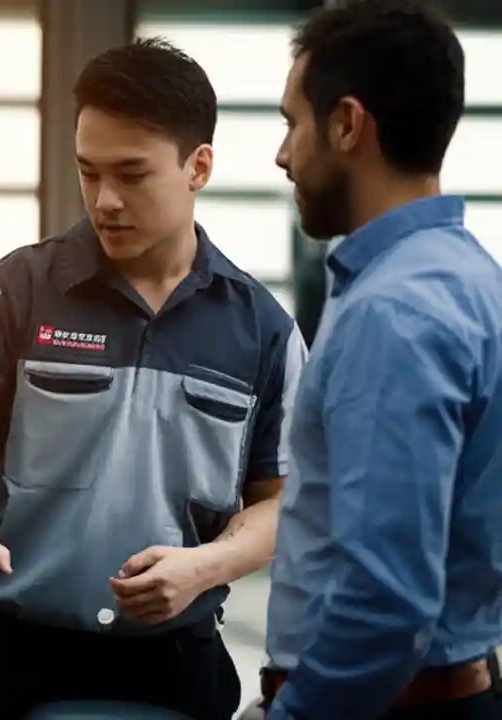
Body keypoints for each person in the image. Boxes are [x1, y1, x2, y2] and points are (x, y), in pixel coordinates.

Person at [0, 37, 308, 720]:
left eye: (131, 174)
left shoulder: (263, 330)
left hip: (179, 671)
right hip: (17, 667)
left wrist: (206, 567)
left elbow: (284, 503)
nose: (105, 200)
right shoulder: (16, 291)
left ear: (198, 166)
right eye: (89, 172)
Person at [258, 1, 502, 719]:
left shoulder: (395, 312)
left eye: (291, 124)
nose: (282, 155)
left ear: (347, 125)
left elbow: (387, 598)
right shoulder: (470, 276)